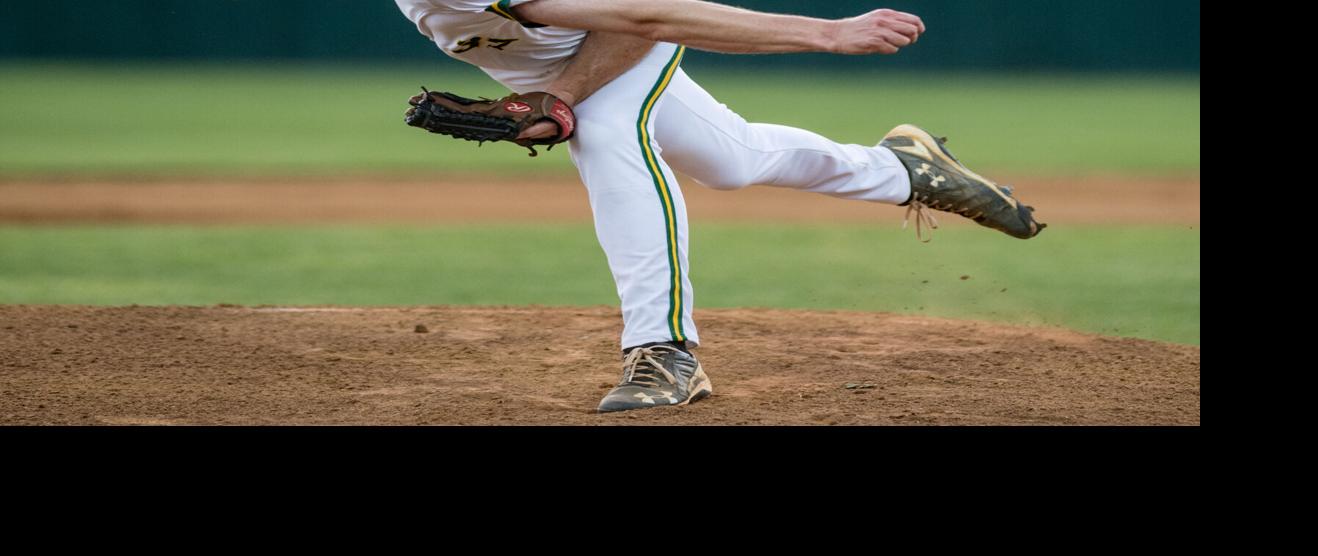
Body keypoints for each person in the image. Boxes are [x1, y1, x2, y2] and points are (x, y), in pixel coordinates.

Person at [394, 0, 1042, 412]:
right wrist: (558, 94)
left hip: (637, 27)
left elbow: (649, 19)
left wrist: (828, 32)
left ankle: (662, 349)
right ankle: (900, 168)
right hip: (600, 43)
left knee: (609, 134)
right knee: (731, 161)